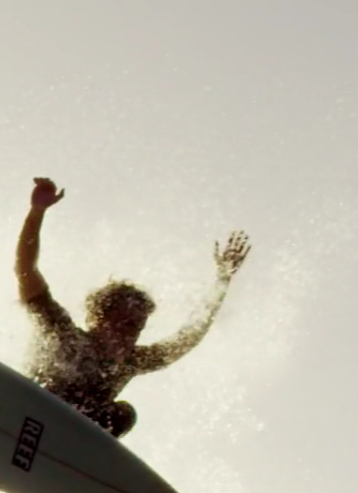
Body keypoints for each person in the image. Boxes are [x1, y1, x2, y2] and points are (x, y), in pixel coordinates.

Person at [15, 176, 251, 437]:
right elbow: (26, 271)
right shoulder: (61, 331)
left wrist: (222, 281)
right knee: (59, 382)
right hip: (30, 408)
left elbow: (188, 338)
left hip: (69, 435)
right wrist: (37, 212)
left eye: (137, 328)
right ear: (98, 317)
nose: (130, 335)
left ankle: (76, 452)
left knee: (124, 414)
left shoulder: (130, 362)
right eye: (125, 324)